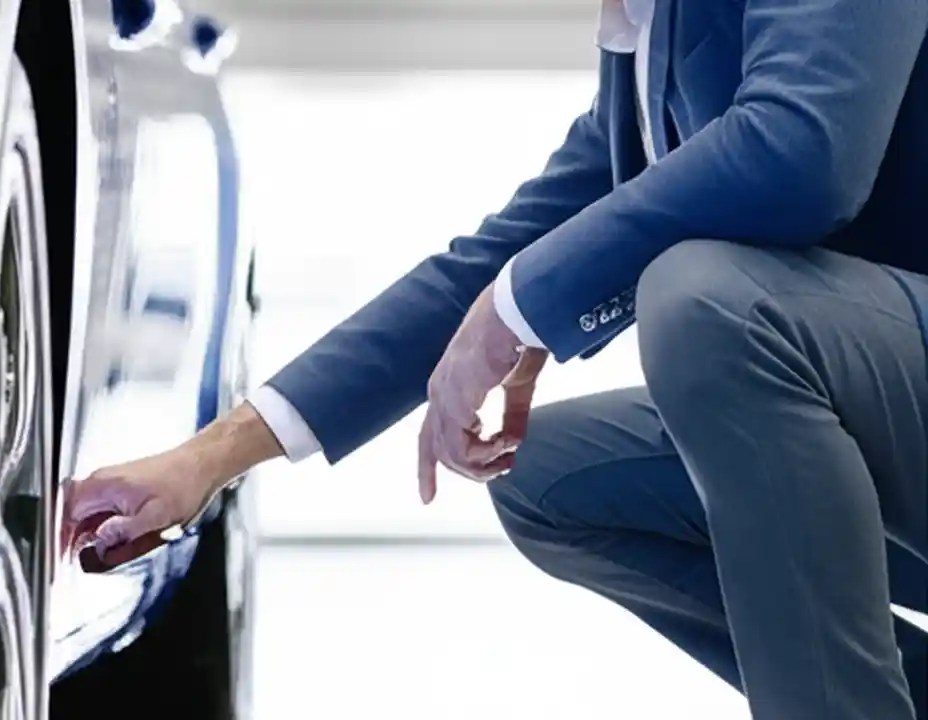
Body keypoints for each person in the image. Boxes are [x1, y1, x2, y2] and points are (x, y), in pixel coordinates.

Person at [62, 0, 928, 716]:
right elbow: (495, 261)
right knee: (549, 478)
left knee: (704, 299)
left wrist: (521, 310)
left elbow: (803, 151)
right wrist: (208, 459)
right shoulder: (645, 41)